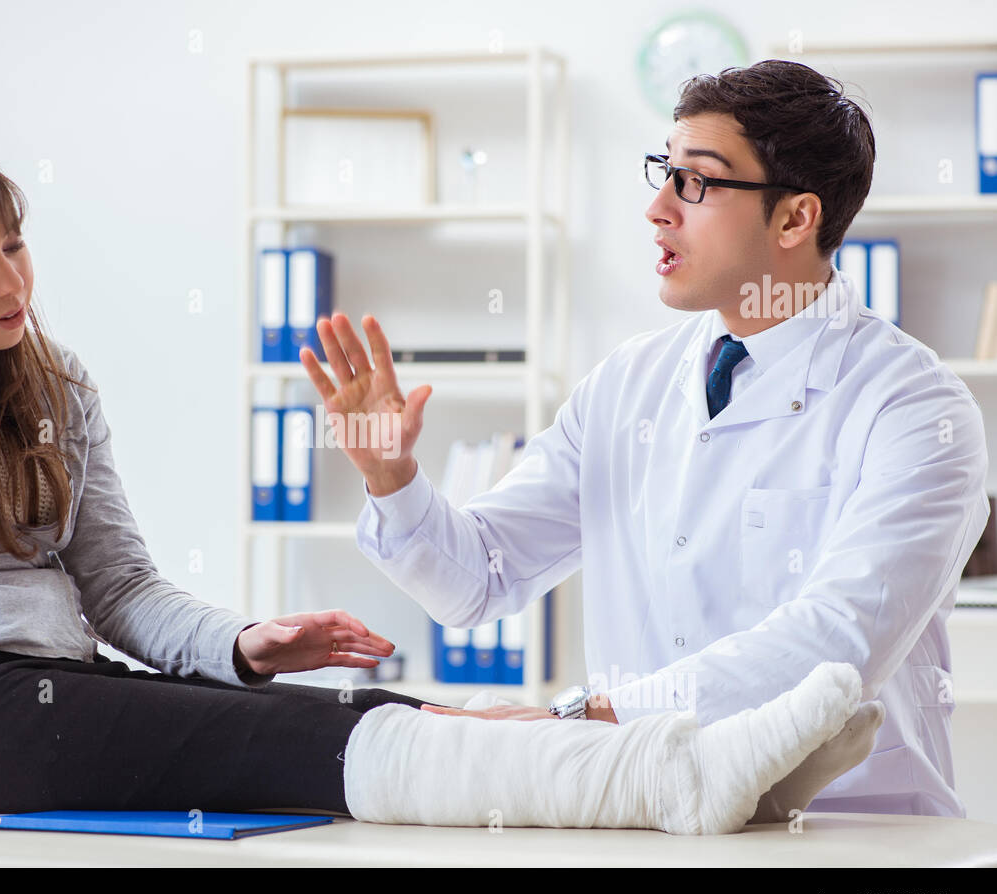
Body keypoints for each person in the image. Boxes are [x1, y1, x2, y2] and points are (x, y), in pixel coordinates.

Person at [0, 117, 869, 837]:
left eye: (16, 241)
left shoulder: (55, 385)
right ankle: (670, 780)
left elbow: (120, 589)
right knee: (283, 750)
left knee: (308, 712)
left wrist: (246, 642)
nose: (14, 281)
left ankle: (691, 772)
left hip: (61, 680)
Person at [302, 60, 985, 821]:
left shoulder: (916, 407)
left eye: (697, 182)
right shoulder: (627, 385)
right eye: (665, 171)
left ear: (795, 219)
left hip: (851, 831)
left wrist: (579, 724)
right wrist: (391, 477)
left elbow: (836, 642)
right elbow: (479, 581)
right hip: (652, 820)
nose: (658, 208)